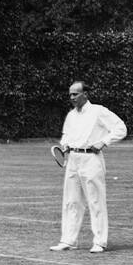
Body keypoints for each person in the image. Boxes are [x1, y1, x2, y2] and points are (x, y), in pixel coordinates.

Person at [50, 81, 127, 254]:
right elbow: (66, 136)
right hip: (73, 160)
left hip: (91, 160)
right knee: (71, 202)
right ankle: (68, 240)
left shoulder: (98, 111)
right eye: (70, 95)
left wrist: (103, 142)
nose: (72, 98)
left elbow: (121, 128)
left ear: (85, 94)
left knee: (95, 201)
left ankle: (100, 242)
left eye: (75, 94)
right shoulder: (71, 115)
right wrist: (65, 146)